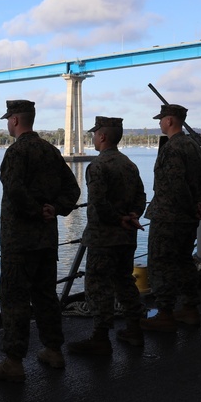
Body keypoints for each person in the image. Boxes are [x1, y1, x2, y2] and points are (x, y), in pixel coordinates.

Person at [0, 100, 80, 383]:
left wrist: (36, 211)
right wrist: (55, 208)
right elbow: (73, 188)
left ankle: (13, 362)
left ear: (14, 120)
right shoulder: (50, 151)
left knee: (14, 299)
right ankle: (53, 350)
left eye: (7, 120)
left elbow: (13, 190)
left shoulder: (16, 152)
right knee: (46, 296)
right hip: (47, 240)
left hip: (18, 241)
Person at [67, 116, 147, 355]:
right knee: (124, 281)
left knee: (98, 286)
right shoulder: (129, 164)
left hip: (103, 238)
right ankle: (134, 329)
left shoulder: (98, 166)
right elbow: (141, 196)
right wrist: (132, 215)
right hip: (127, 237)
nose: (93, 137)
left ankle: (100, 338)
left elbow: (98, 204)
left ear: (102, 136)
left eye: (94, 133)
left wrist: (117, 218)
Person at [140, 103, 201, 332]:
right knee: (184, 262)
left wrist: (188, 206)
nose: (160, 123)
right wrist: (199, 206)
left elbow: (175, 186)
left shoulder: (172, 148)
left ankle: (165, 313)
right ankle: (190, 308)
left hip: (170, 217)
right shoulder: (192, 145)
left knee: (161, 263)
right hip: (187, 218)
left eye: (161, 119)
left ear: (170, 120)